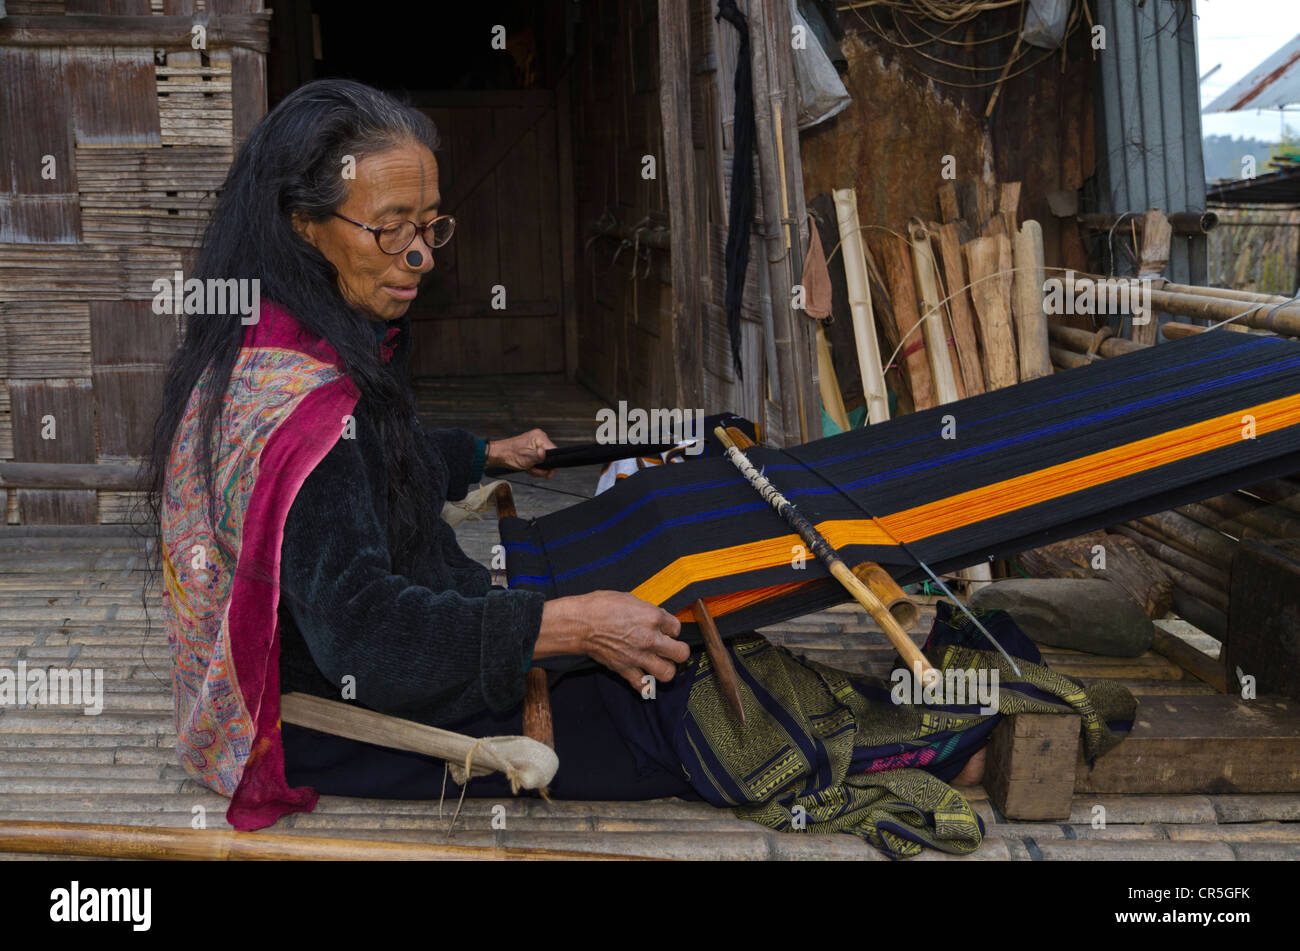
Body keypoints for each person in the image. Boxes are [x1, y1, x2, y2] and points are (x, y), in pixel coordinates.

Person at [149, 78, 1132, 858]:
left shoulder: (286, 342)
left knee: (685, 652)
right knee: (688, 712)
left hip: (335, 663)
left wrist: (474, 454)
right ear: (299, 225)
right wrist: (566, 624)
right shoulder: (299, 407)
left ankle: (910, 706)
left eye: (432, 224)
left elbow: (376, 470)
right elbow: (368, 633)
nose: (420, 255)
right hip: (329, 717)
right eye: (389, 227)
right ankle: (948, 745)